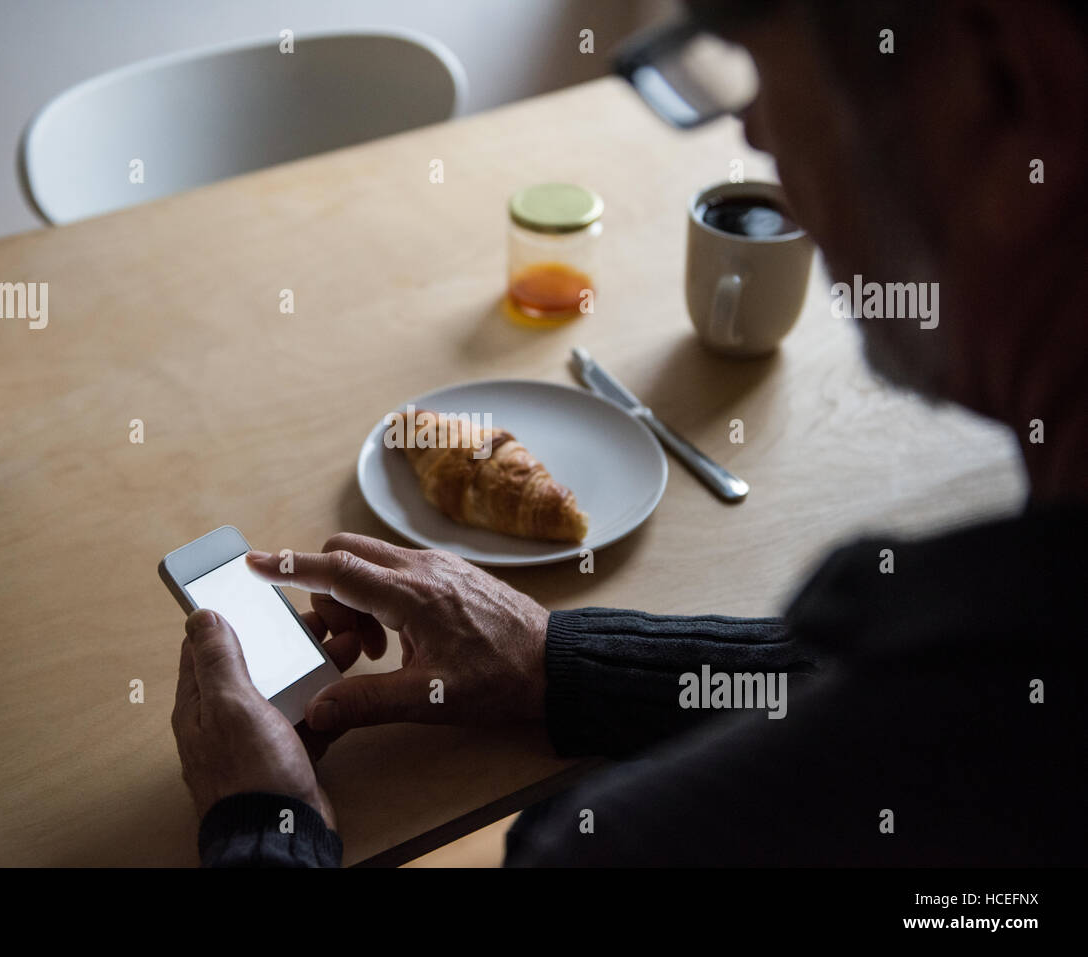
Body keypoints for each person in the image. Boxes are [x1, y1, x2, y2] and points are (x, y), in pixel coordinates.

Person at [171, 0, 1088, 867]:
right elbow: (836, 682)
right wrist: (558, 661)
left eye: (766, 72)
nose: (760, 138)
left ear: (1008, 82)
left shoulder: (637, 844)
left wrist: (265, 827)